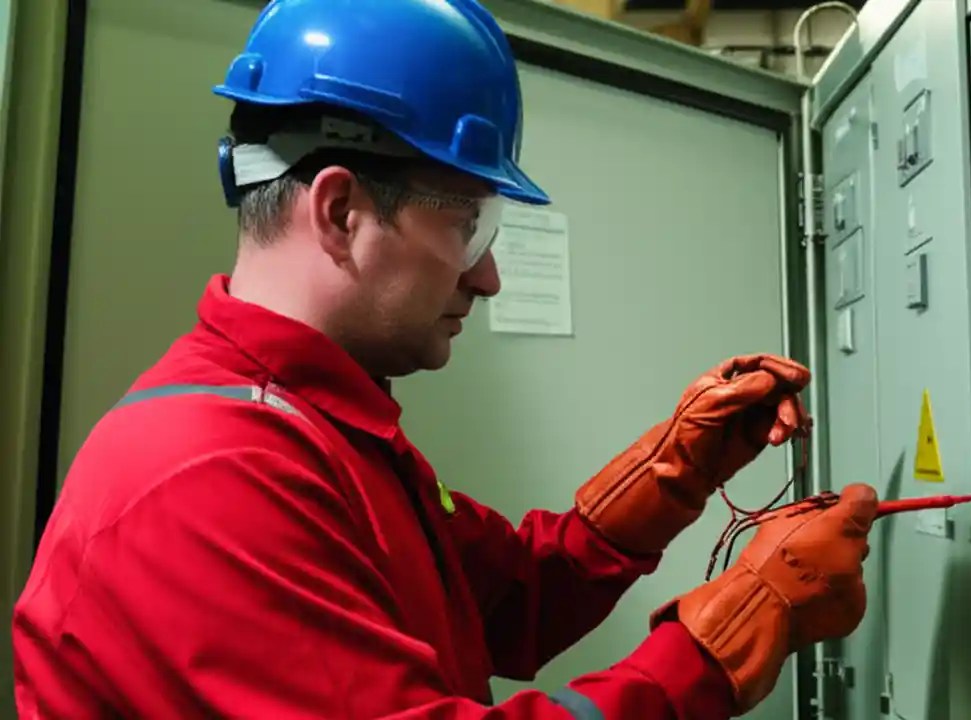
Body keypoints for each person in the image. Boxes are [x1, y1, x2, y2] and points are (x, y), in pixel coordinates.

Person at [11, 0, 880, 717]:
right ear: (341, 212)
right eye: (468, 226)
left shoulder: (317, 429)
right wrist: (737, 632)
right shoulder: (208, 480)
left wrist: (679, 468)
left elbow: (513, 600)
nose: (488, 276)